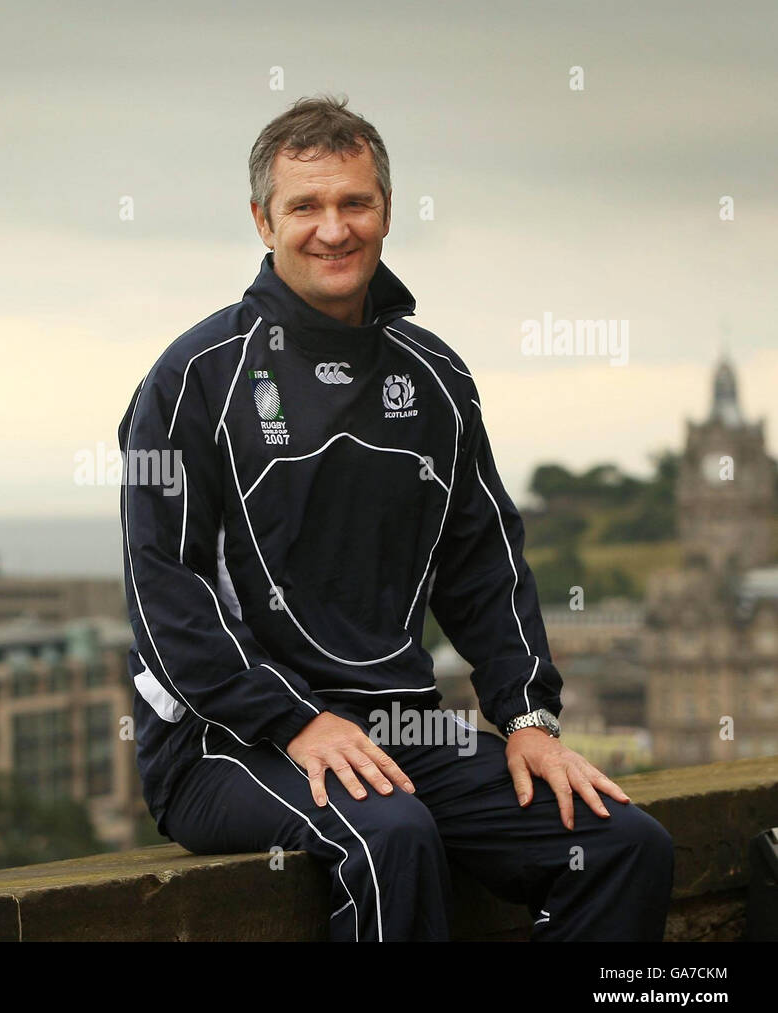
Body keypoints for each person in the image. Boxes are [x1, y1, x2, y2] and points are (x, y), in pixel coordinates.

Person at [117, 93, 674, 941]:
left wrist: (527, 718)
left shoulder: (437, 377)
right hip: (226, 742)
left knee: (623, 844)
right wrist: (295, 719)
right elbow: (166, 597)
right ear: (263, 221)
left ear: (386, 212)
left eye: (354, 202)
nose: (332, 228)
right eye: (305, 206)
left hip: (398, 729)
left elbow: (484, 562)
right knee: (392, 839)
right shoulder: (192, 379)